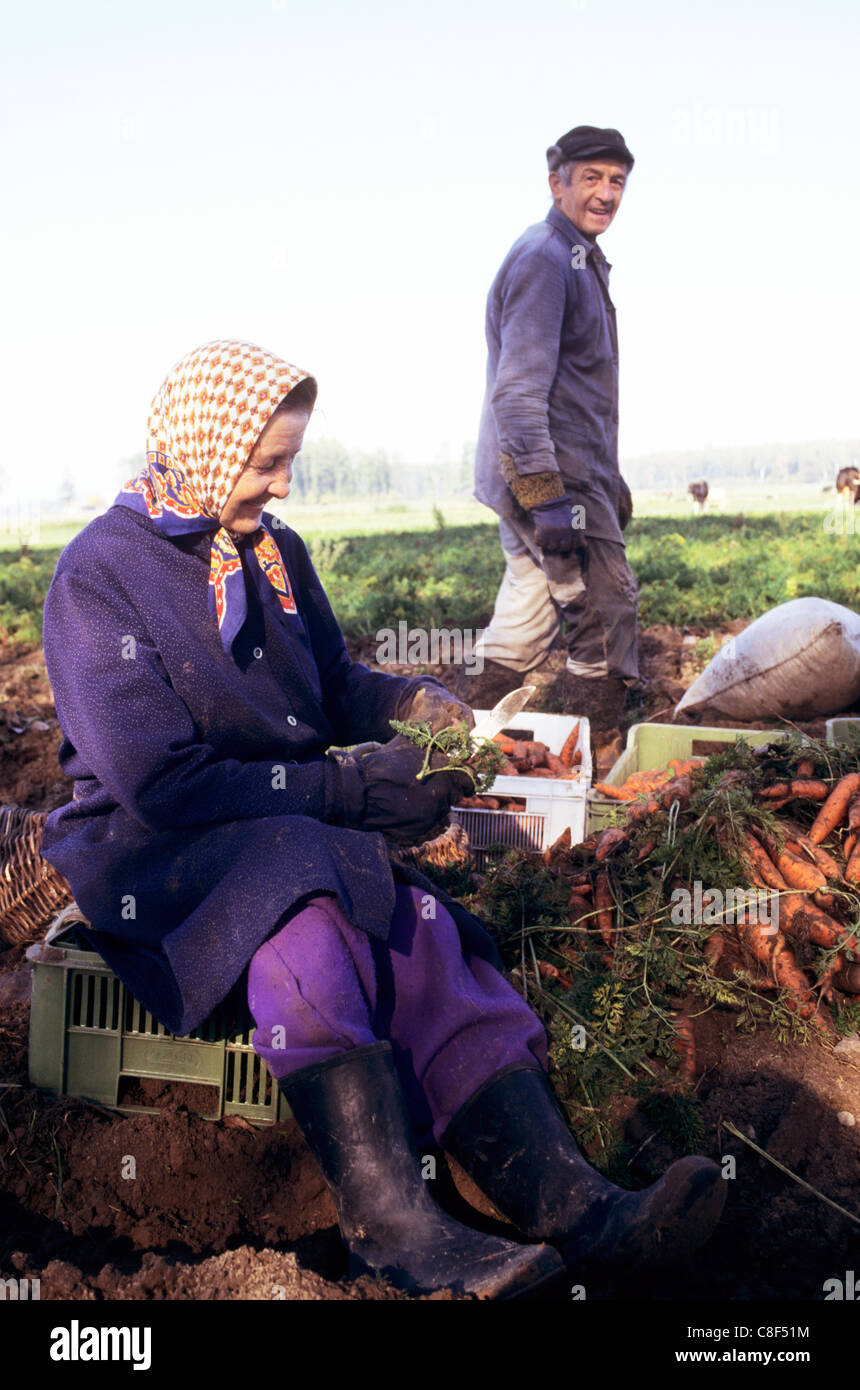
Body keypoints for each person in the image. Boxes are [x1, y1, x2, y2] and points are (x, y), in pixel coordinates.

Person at [40, 339, 724, 1299]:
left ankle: (576, 1203)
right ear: (204, 444)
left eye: (290, 461)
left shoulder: (271, 551)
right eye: (265, 463)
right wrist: (353, 794)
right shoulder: (101, 576)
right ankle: (395, 1229)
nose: (281, 485)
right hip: (157, 846)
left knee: (423, 931)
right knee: (312, 918)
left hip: (284, 823)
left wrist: (417, 707)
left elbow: (334, 681)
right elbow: (161, 782)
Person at [473, 125, 640, 730]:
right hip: (549, 478)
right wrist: (547, 499)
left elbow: (580, 392)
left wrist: (608, 477)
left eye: (617, 181)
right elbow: (517, 393)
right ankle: (591, 765)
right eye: (591, 178)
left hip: (570, 472)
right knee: (602, 612)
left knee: (530, 608)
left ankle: (453, 740)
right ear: (557, 182)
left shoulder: (578, 256)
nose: (606, 193)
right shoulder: (548, 256)